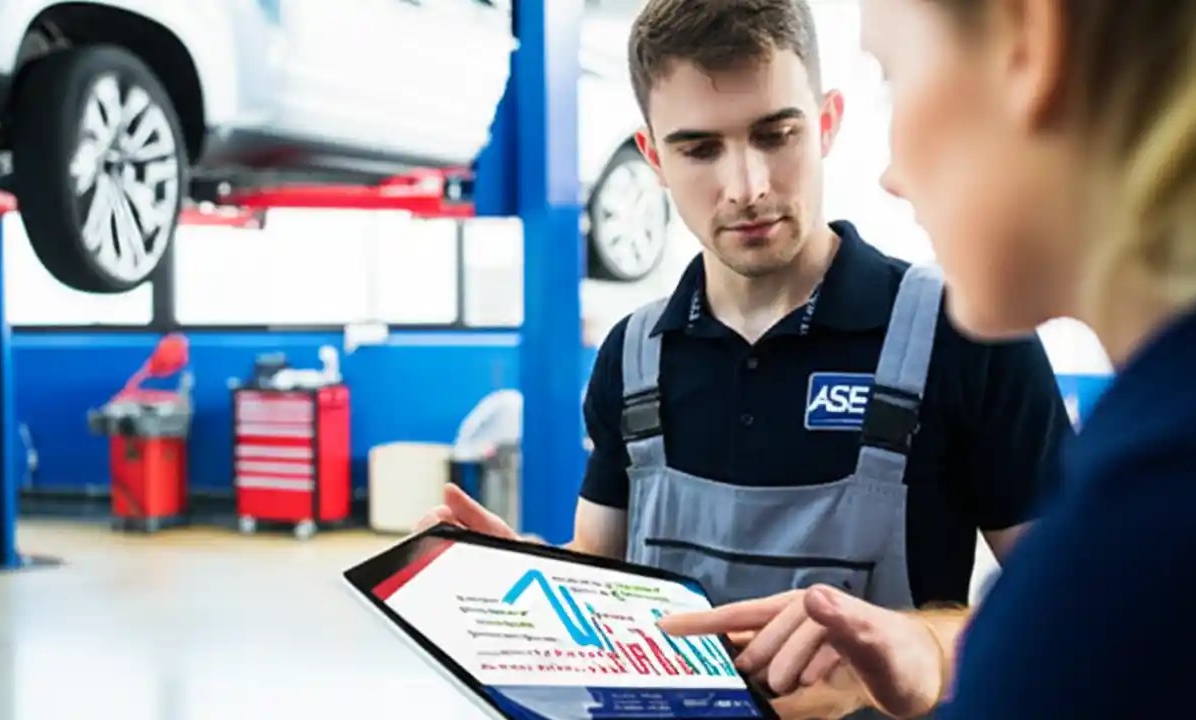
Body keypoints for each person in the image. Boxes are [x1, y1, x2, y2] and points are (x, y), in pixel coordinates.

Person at [420, 0, 1070, 711]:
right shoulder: (633, 358)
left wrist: (920, 643)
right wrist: (518, 583)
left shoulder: (965, 335)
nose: (747, 187)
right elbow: (597, 576)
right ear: (653, 157)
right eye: (700, 149)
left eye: (775, 135)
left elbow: (1075, 611)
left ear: (826, 123)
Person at [658, 0, 1196, 717]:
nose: (892, 175)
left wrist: (934, 645)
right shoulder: (1172, 462)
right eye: (699, 148)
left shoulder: (1172, 506)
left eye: (894, 76)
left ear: (1030, 40)